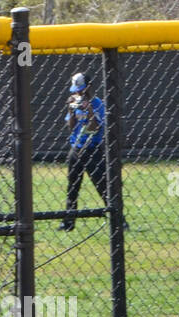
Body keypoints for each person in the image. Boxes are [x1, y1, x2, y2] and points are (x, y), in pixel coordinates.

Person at [58, 72, 120, 232]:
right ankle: (68, 222)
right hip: (76, 148)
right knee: (72, 187)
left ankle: (119, 219)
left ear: (89, 87)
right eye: (76, 90)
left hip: (92, 149)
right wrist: (71, 109)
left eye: (81, 90)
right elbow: (71, 127)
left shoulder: (98, 104)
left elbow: (96, 128)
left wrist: (90, 110)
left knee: (103, 186)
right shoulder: (75, 101)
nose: (78, 93)